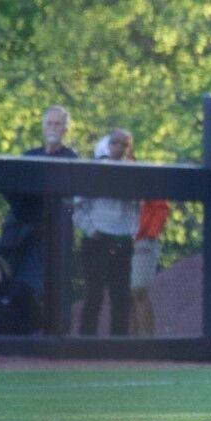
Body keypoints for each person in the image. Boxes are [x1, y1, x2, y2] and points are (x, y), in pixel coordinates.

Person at [0, 105, 78, 300]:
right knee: (6, 280)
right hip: (18, 232)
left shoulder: (71, 159)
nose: (53, 128)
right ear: (43, 127)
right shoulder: (29, 156)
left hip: (48, 236)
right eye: (49, 123)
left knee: (33, 288)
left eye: (57, 124)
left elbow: (67, 201)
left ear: (65, 129)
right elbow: (12, 191)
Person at [73, 130, 139, 336]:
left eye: (123, 144)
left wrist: (133, 232)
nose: (118, 147)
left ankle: (118, 344)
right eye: (114, 143)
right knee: (94, 294)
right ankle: (86, 342)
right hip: (96, 240)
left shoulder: (134, 174)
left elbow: (138, 208)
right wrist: (90, 229)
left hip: (122, 241)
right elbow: (73, 206)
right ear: (107, 145)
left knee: (121, 295)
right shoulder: (94, 171)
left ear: (129, 149)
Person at [129, 198, 169, 336]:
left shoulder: (147, 180)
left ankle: (147, 339)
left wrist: (151, 234)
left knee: (139, 291)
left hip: (144, 241)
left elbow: (161, 207)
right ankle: (131, 342)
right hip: (121, 241)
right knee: (129, 296)